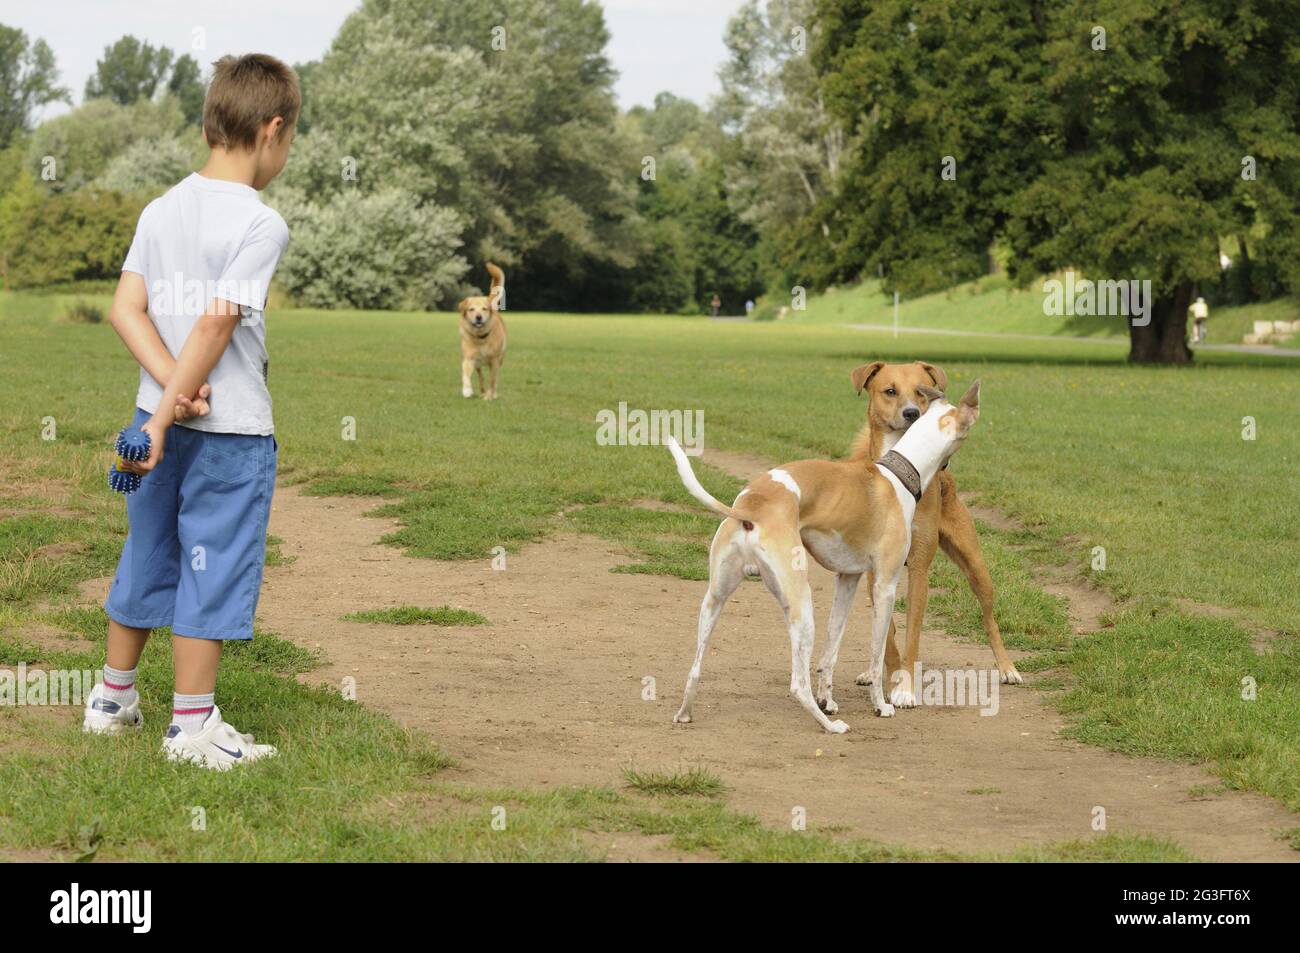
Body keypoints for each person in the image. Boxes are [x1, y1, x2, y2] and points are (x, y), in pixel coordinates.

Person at [83, 53, 299, 770]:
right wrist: (176, 409)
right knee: (211, 562)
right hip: (224, 430)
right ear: (272, 130)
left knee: (149, 550)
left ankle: (112, 700)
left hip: (152, 421)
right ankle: (193, 728)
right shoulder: (261, 224)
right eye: (289, 136)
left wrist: (164, 397)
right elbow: (215, 326)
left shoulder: (161, 207)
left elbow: (126, 308)